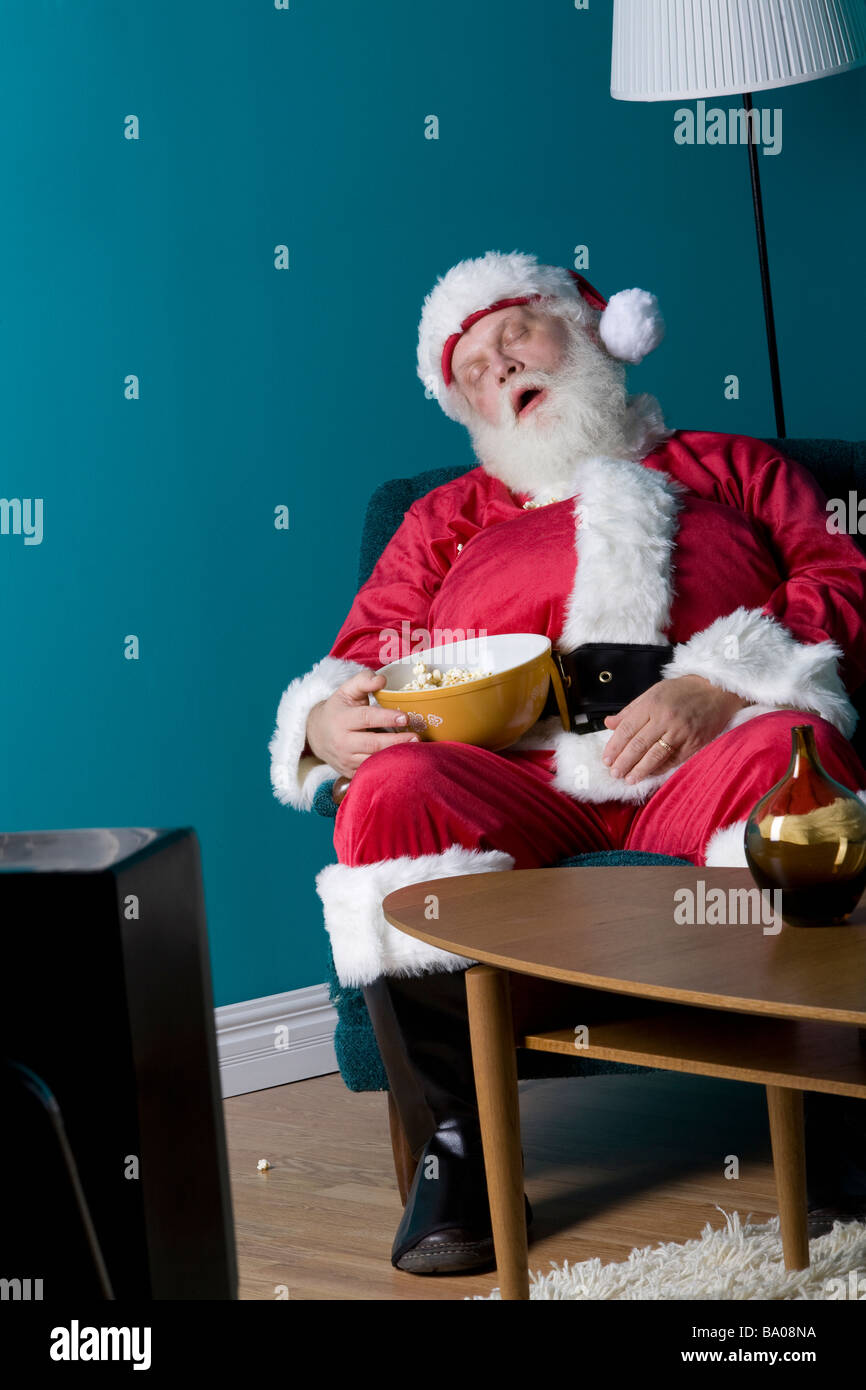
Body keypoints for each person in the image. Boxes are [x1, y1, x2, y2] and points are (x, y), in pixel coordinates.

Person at [270, 250, 866, 1274]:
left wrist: (721, 678)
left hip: (709, 752)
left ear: (592, 331)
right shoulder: (442, 517)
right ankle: (455, 1148)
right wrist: (323, 722)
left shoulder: (734, 467)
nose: (499, 367)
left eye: (517, 335)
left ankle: (835, 1109)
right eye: (471, 369)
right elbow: (365, 651)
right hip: (517, 778)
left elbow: (839, 579)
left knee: (791, 754)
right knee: (394, 791)